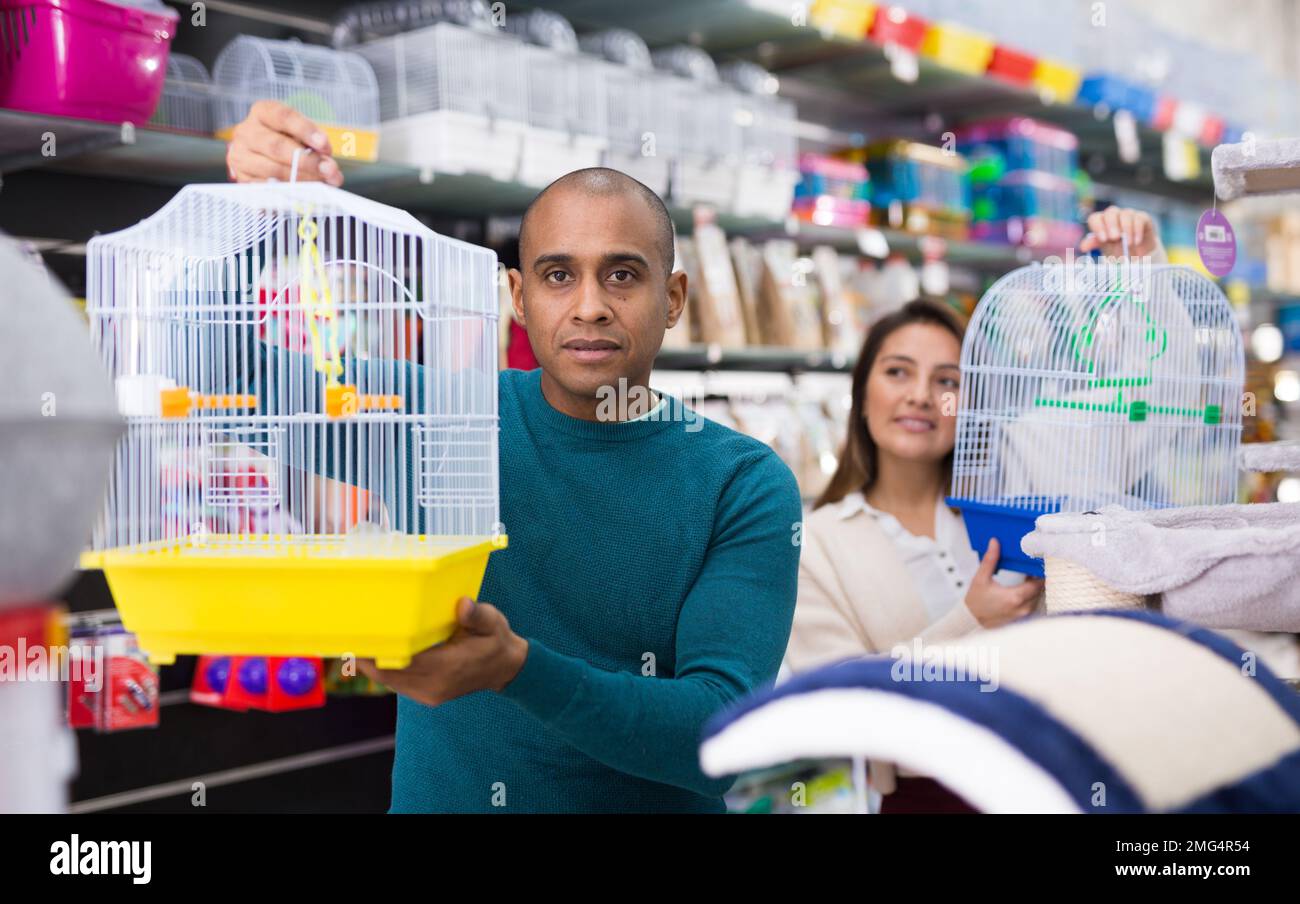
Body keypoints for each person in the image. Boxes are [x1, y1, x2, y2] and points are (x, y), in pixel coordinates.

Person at [225, 103, 803, 813]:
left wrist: (518, 669)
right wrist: (254, 211)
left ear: (674, 297)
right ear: (519, 298)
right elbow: (229, 380)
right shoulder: (440, 418)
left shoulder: (742, 483)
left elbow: (720, 740)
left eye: (622, 275)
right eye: (559, 276)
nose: (589, 306)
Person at [785, 207, 1164, 812]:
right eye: (897, 372)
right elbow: (835, 707)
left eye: (947, 381)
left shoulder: (1016, 478)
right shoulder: (817, 544)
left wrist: (1138, 273)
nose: (920, 396)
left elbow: (1144, 408)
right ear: (861, 396)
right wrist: (970, 621)